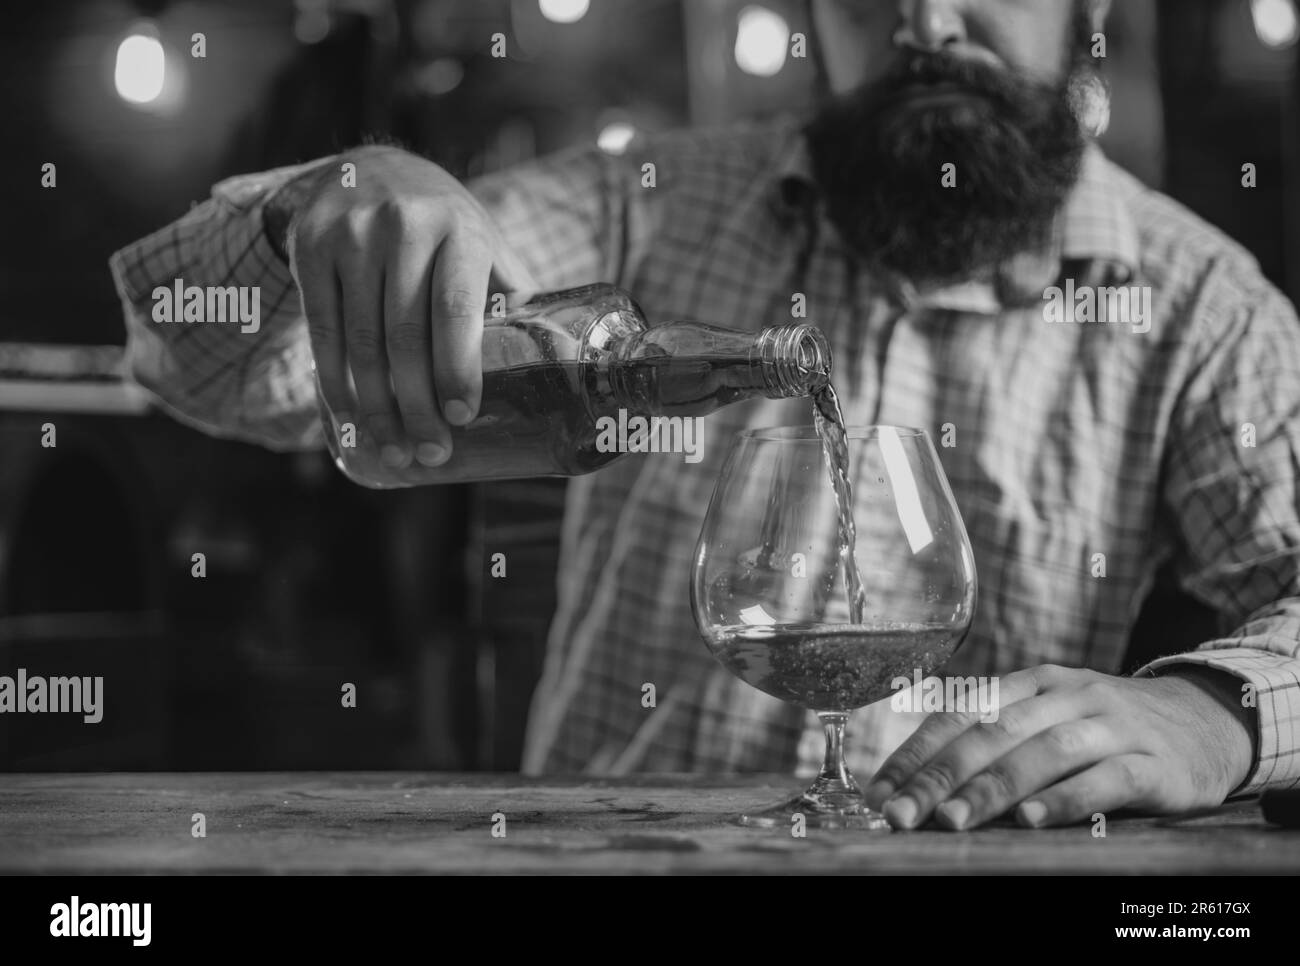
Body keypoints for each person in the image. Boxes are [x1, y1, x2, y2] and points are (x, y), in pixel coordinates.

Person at [110, 0, 1300, 830]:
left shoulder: (1198, 307)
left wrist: (1213, 717)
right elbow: (196, 373)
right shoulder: (643, 208)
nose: (925, 21)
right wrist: (339, 198)